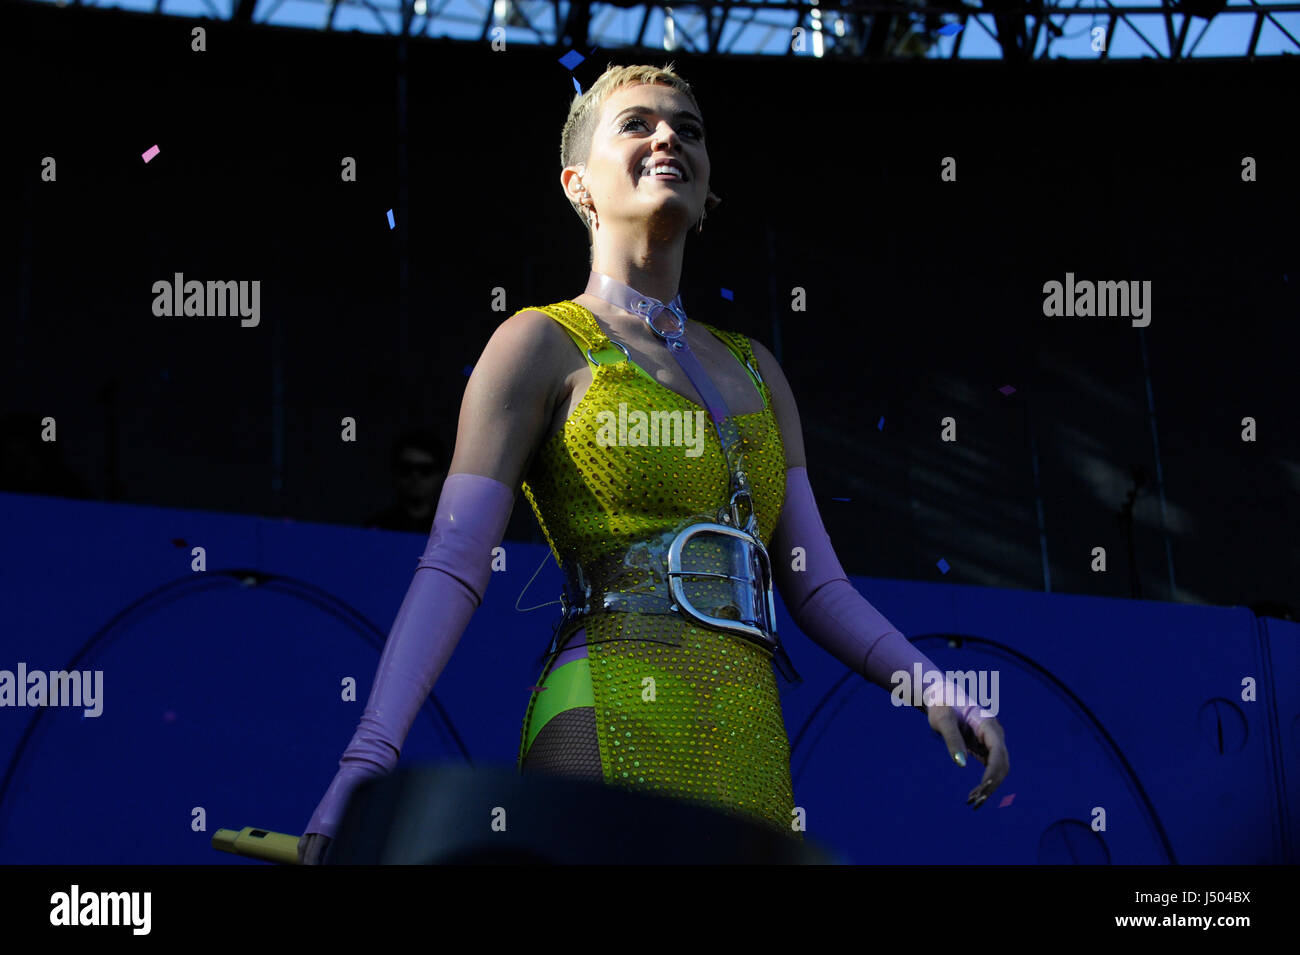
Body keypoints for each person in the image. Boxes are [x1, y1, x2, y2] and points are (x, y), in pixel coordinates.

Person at [299, 62, 1009, 864]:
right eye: (636, 124)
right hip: (605, 707)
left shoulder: (758, 369)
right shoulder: (538, 343)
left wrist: (930, 682)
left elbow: (818, 583)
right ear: (578, 185)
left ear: (710, 194)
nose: (668, 135)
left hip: (747, 737)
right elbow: (456, 561)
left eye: (690, 129)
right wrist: (365, 763)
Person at [363, 430, 447, 534]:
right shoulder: (376, 528)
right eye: (406, 468)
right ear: (395, 471)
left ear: (440, 475)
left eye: (426, 470)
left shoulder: (447, 530)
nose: (415, 477)